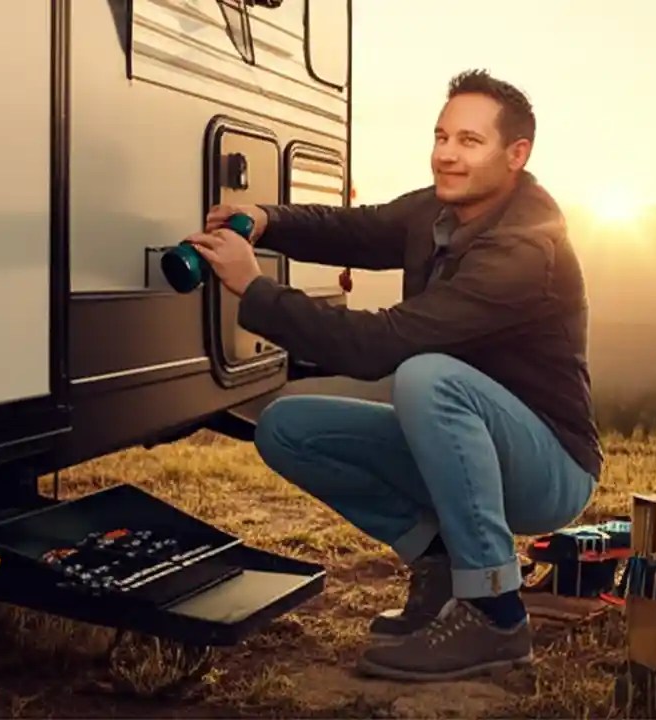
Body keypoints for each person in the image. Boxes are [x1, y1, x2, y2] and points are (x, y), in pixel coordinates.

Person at [184, 69, 603, 681]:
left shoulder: (523, 250)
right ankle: (437, 565)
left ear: (517, 155)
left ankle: (494, 612)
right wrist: (268, 219)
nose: (446, 155)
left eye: (468, 141)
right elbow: (359, 228)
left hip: (550, 469)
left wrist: (254, 287)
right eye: (441, 136)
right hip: (464, 446)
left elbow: (381, 346)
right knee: (287, 428)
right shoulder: (439, 209)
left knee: (427, 375)